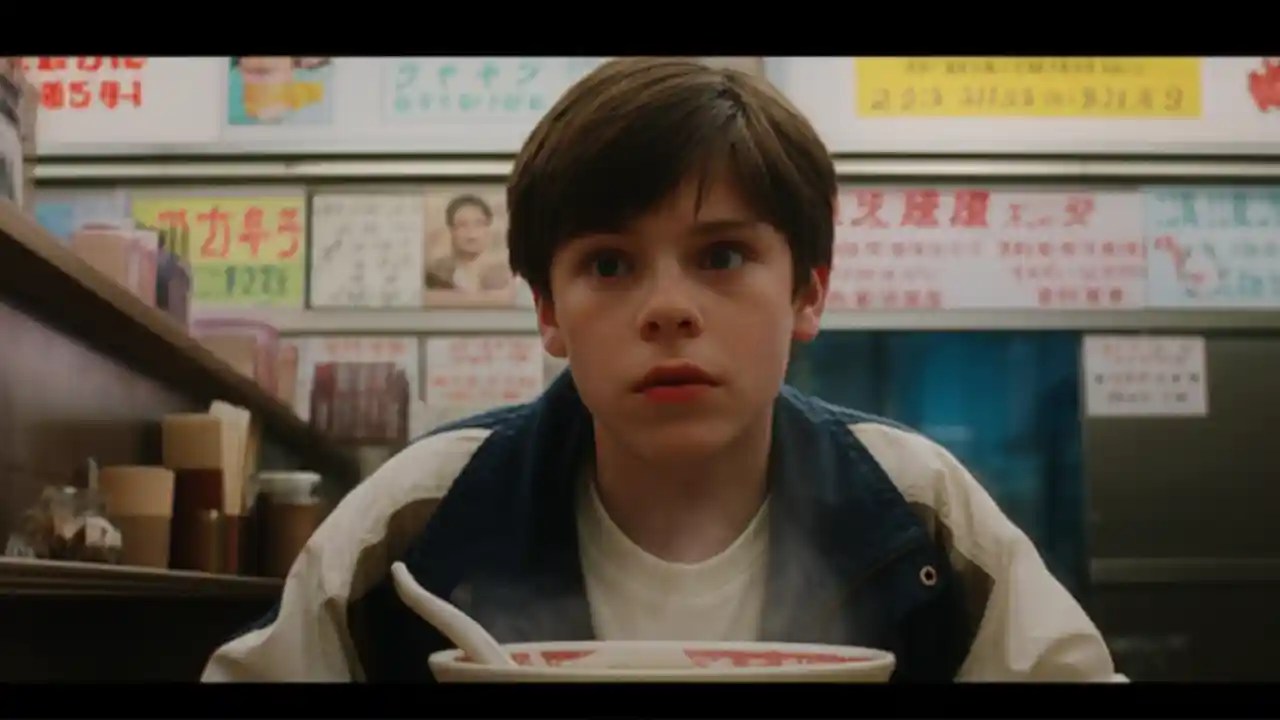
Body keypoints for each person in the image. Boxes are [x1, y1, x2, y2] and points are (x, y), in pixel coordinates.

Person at [202, 57, 1121, 683]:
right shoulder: (420, 514)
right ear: (549, 311)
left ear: (808, 294)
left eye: (721, 257)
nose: (667, 307)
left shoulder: (917, 508)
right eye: (609, 264)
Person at [423, 193, 513, 293]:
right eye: (462, 225)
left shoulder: (503, 276)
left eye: (478, 224)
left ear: (488, 228)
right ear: (451, 230)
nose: (471, 234)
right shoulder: (437, 275)